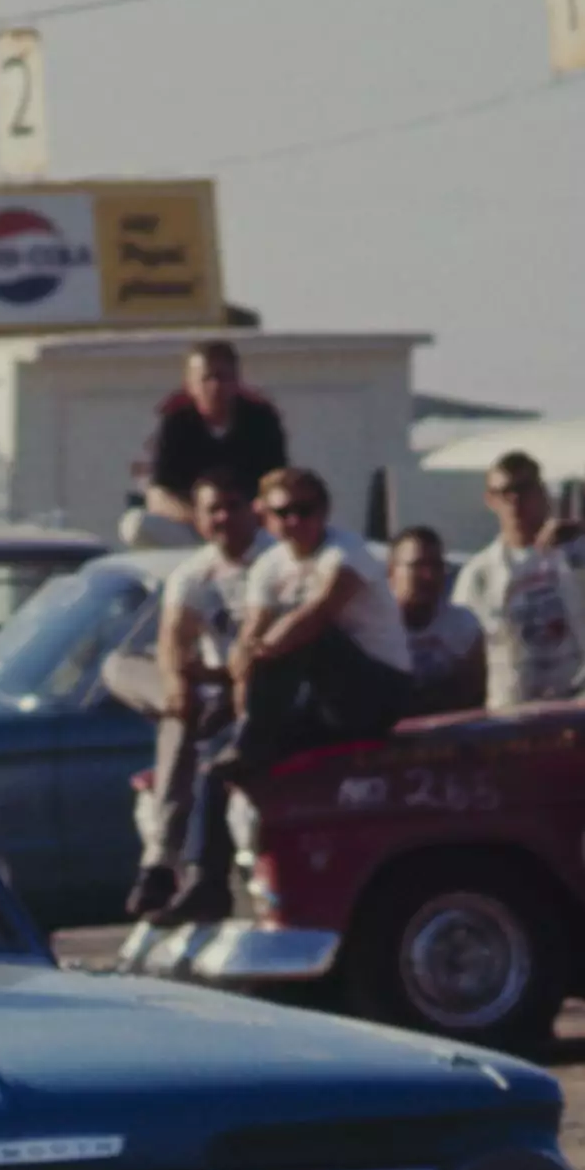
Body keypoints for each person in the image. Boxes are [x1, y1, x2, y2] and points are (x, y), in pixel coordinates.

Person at [127, 471, 269, 923]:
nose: (223, 518)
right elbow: (173, 638)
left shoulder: (274, 560)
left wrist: (207, 680)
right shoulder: (194, 572)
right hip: (202, 694)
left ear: (253, 510)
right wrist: (176, 684)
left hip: (256, 691)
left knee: (185, 732)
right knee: (123, 667)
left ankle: (163, 867)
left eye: (232, 506)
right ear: (198, 517)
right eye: (212, 509)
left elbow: (265, 650)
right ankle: (177, 874)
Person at [230, 467, 412, 774]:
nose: (294, 521)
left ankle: (254, 738)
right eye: (283, 512)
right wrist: (243, 682)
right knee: (221, 753)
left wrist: (262, 651)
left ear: (324, 511)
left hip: (378, 690)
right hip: (319, 698)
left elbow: (317, 614)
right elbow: (251, 635)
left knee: (310, 635)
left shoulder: (347, 552)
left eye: (305, 510)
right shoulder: (267, 566)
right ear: (266, 517)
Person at [452, 451, 585, 710]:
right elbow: (464, 651)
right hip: (513, 708)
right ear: (490, 500)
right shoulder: (480, 573)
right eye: (504, 492)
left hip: (582, 699)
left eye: (523, 489)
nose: (515, 500)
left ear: (541, 492)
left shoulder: (581, 551)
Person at [142, 341, 288, 532]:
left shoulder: (261, 420)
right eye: (207, 378)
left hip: (250, 528)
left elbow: (278, 484)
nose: (215, 386)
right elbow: (158, 494)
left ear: (236, 381)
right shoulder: (175, 423)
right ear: (190, 385)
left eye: (223, 377)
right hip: (193, 526)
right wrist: (201, 519)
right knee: (135, 525)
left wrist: (244, 516)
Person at [389, 529, 485, 713]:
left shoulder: (462, 623)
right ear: (391, 571)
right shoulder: (371, 624)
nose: (429, 576)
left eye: (436, 566)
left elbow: (471, 691)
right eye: (418, 566)